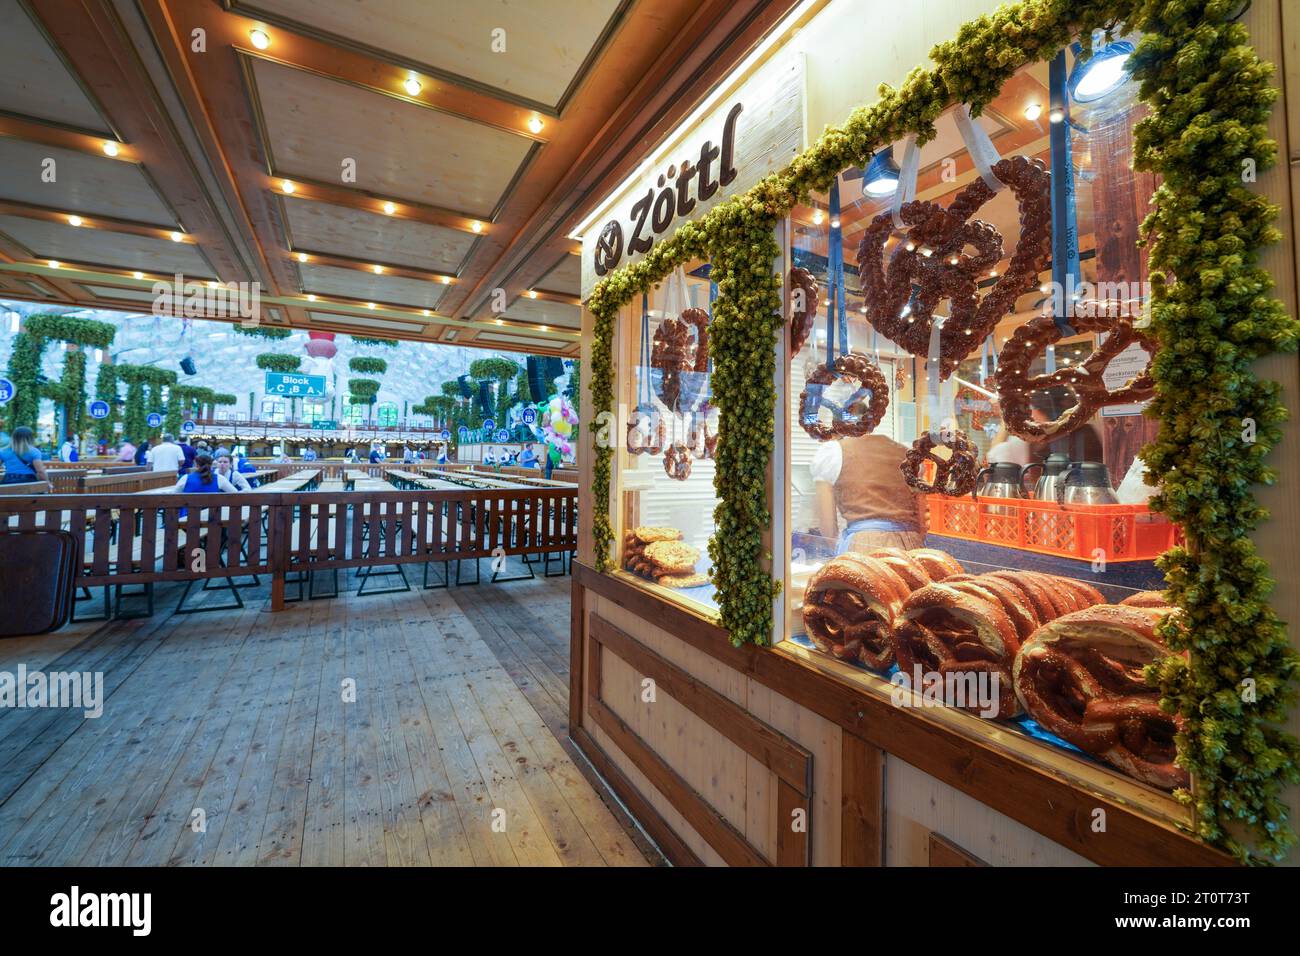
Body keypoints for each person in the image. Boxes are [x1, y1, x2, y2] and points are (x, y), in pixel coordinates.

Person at [810, 433, 928, 555]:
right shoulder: (907, 453)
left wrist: (841, 549)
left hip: (865, 545)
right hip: (912, 545)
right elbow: (922, 521)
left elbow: (827, 525)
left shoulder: (833, 453)